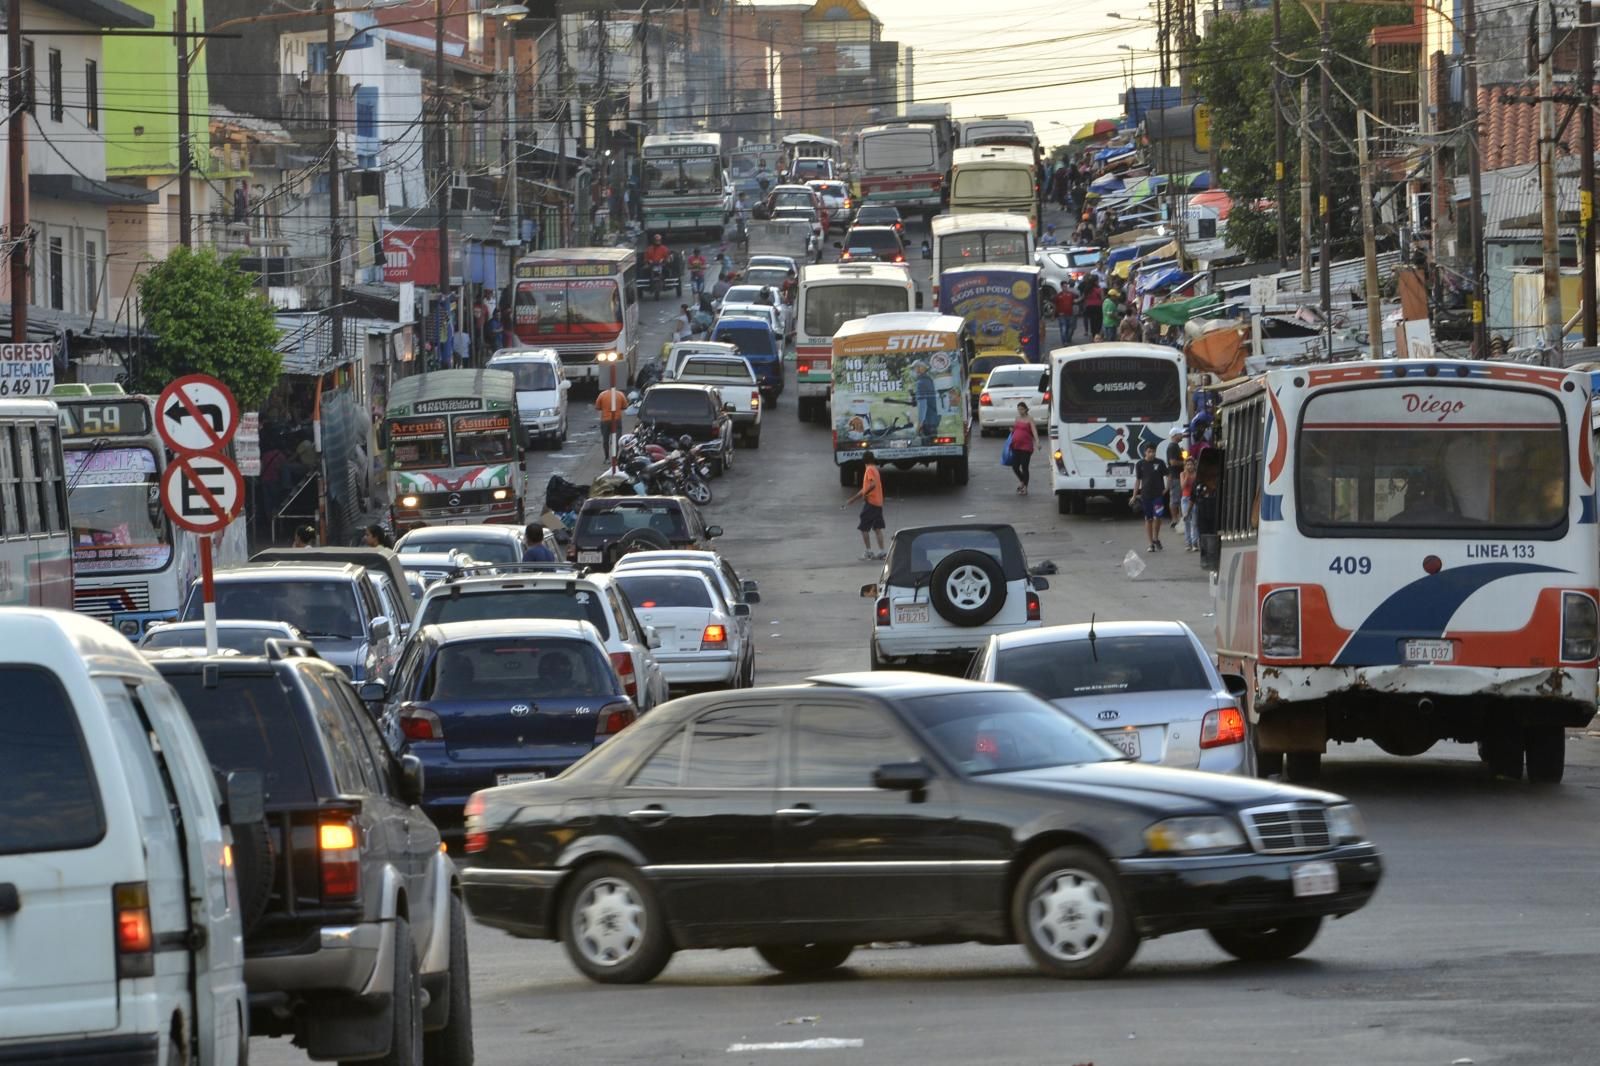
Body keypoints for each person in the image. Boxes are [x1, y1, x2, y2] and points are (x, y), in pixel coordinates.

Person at [841, 450, 887, 560]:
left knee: (864, 527)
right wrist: (853, 499)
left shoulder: (869, 469)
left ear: (864, 460)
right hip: (878, 503)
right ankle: (882, 552)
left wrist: (865, 494)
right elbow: (865, 488)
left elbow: (872, 485)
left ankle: (868, 551)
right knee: (877, 528)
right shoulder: (875, 469)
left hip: (871, 503)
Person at [1131, 441, 1171, 553]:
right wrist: (1134, 496)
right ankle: (1151, 543)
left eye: (1153, 451)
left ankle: (1156, 537)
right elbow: (1138, 480)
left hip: (1158, 495)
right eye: (1149, 452)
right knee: (1148, 519)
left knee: (1158, 517)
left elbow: (1169, 475)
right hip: (1146, 495)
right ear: (1145, 452)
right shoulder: (1140, 464)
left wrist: (1167, 488)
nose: (1151, 454)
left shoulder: (1160, 463)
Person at [1008, 402, 1037, 495]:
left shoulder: (1030, 419)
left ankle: (1025, 487)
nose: (1020, 411)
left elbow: (1034, 431)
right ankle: (1022, 481)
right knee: (1015, 466)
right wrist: (1012, 430)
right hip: (1016, 445)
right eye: (1018, 409)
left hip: (1026, 447)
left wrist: (1038, 442)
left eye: (1021, 409)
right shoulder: (1017, 418)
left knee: (1024, 467)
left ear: (1026, 409)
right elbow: (1016, 429)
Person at [596, 383, 628, 462]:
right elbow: (625, 406)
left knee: (605, 439)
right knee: (616, 439)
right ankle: (615, 458)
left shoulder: (602, 395)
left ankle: (607, 457)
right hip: (616, 419)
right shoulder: (620, 394)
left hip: (605, 420)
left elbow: (598, 407)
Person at [910, 360, 940, 441]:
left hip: (927, 421)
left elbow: (922, 404)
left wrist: (920, 423)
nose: (913, 371)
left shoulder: (920, 383)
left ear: (919, 369)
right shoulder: (929, 380)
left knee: (926, 445)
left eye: (913, 369)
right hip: (934, 419)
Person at [1180, 458, 1200, 551]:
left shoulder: (1196, 475)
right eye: (1187, 465)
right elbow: (1182, 486)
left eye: (1191, 464)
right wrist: (1187, 476)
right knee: (1186, 520)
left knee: (1195, 522)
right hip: (1185, 498)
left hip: (1194, 499)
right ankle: (1188, 543)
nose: (1189, 466)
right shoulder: (1183, 474)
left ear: (1194, 465)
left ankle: (1195, 542)